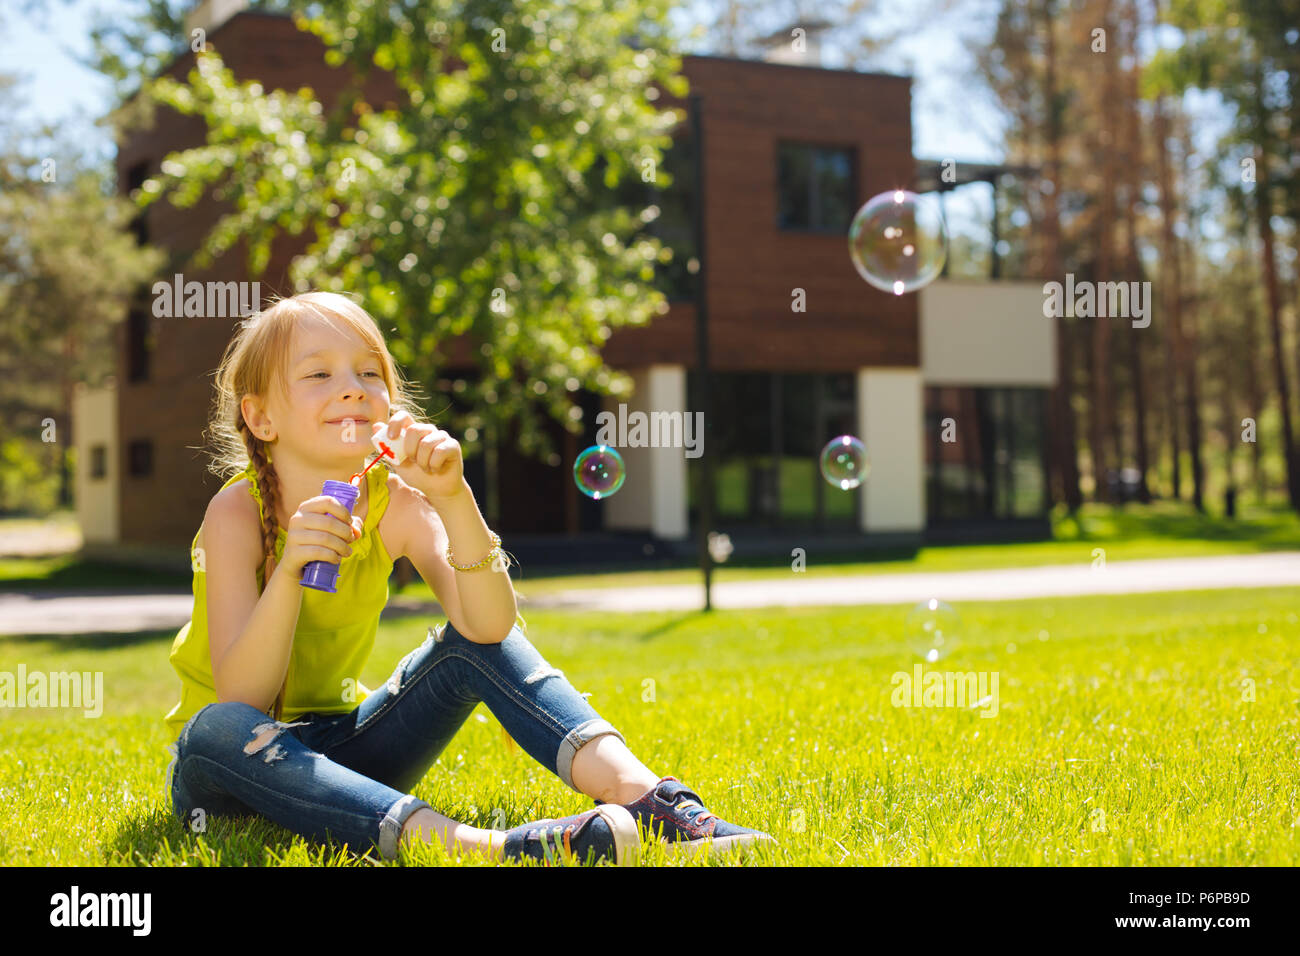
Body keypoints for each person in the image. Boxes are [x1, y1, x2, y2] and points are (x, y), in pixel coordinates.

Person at [162, 291, 774, 865]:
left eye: (369, 373)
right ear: (261, 418)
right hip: (227, 773)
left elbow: (488, 626)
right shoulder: (237, 512)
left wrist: (453, 499)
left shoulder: (394, 503)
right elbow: (241, 699)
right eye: (319, 374)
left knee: (466, 642)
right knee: (217, 726)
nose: (352, 390)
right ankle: (485, 847)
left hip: (343, 753)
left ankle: (649, 803)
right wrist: (291, 568)